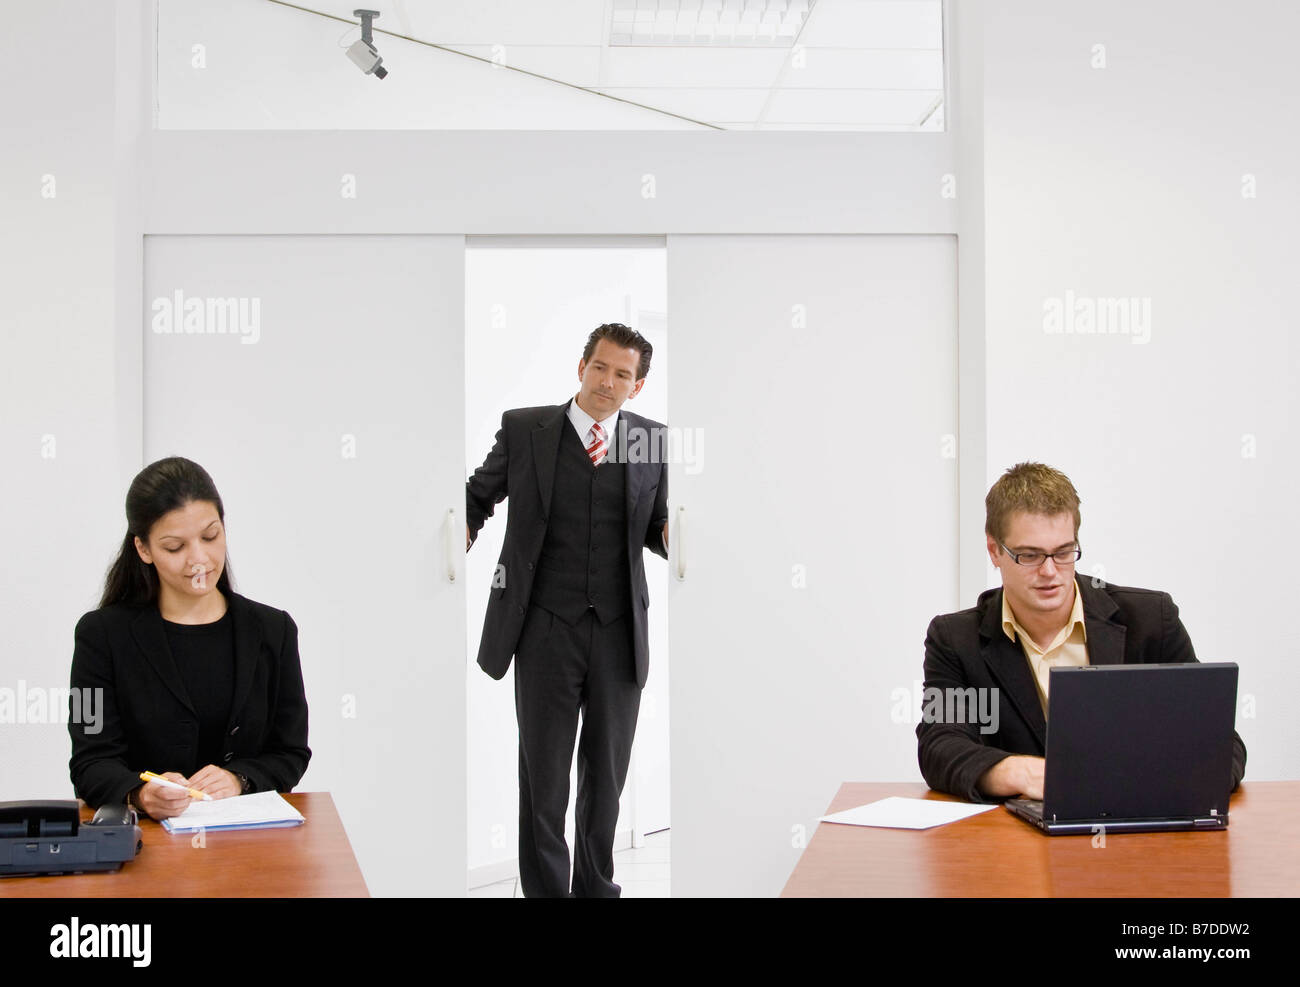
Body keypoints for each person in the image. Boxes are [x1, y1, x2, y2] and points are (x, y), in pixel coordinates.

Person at [466, 323, 669, 897]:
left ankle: (596, 890)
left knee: (606, 782)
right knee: (545, 781)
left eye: (622, 374)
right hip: (543, 631)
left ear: (639, 384)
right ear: (581, 367)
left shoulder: (649, 440)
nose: (608, 382)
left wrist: (674, 535)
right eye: (600, 367)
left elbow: (656, 524)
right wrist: (460, 530)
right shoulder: (526, 428)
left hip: (618, 634)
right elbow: (478, 495)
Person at [917, 461, 1246, 803]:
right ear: (994, 551)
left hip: (1136, 829)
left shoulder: (1151, 621)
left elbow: (1220, 742)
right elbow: (940, 746)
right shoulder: (955, 639)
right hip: (1015, 843)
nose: (1050, 571)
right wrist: (1026, 773)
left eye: (1063, 553)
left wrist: (1155, 782)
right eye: (1029, 556)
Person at [69, 457, 310, 819]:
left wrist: (239, 779)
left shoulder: (274, 631)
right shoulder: (98, 636)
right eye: (174, 547)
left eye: (210, 536)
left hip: (251, 844)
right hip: (145, 847)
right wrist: (140, 793)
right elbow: (89, 763)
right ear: (143, 549)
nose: (199, 559)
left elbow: (291, 753)